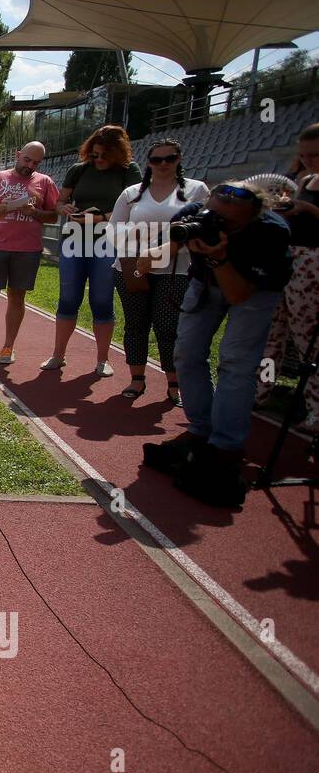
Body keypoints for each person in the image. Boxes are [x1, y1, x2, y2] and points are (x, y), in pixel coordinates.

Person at [144, 181, 293, 507]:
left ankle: (225, 446)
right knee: (186, 351)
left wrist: (219, 257)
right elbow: (160, 255)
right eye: (214, 215)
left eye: (228, 222)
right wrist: (168, 247)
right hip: (207, 278)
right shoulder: (193, 215)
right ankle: (200, 430)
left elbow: (240, 294)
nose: (216, 224)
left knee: (236, 361)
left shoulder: (270, 232)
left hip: (254, 287)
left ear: (251, 217)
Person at [109, 139, 211, 402]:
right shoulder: (132, 193)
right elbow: (113, 230)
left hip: (176, 269)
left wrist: (164, 250)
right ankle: (137, 379)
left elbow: (204, 229)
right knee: (135, 325)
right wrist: (138, 252)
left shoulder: (196, 190)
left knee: (169, 328)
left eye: (170, 158)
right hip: (133, 268)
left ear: (179, 159)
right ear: (149, 162)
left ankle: (173, 383)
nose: (163, 164)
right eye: (157, 159)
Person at [44, 125, 142, 375]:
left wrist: (99, 219)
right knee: (68, 298)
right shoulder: (78, 169)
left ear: (117, 153)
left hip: (108, 240)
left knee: (101, 299)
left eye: (103, 155)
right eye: (94, 154)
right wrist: (64, 209)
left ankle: (102, 360)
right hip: (75, 237)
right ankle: (58, 355)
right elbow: (59, 202)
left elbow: (136, 207)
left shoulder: (129, 171)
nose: (97, 159)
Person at [0, 141, 59, 365]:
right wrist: (2, 208)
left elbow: (53, 216)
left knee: (17, 297)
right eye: (27, 159)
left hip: (27, 250)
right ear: (18, 155)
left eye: (36, 163)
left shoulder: (45, 182)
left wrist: (34, 212)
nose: (30, 166)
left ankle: (8, 347)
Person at [256, 123, 319, 431]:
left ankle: (315, 408)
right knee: (271, 333)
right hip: (281, 258)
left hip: (311, 262)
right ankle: (261, 391)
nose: (309, 161)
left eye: (316, 155)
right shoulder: (295, 180)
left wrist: (308, 208)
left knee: (308, 338)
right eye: (304, 155)